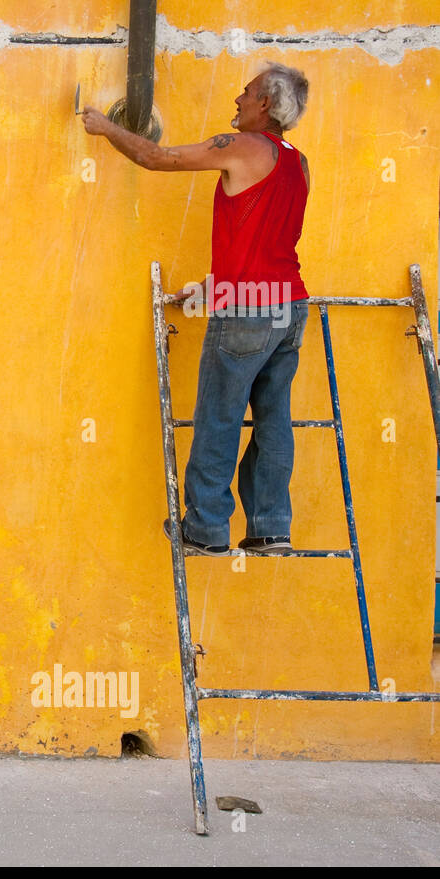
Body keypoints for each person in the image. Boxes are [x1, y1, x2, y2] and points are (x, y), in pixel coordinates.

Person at [83, 64, 312, 556]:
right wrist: (213, 287)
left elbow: (158, 157)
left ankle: (206, 529)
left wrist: (105, 127)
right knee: (273, 420)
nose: (237, 98)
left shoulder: (241, 148)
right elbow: (267, 243)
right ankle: (271, 528)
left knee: (219, 417)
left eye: (246, 92)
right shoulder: (299, 162)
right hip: (290, 307)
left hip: (246, 309)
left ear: (266, 104)